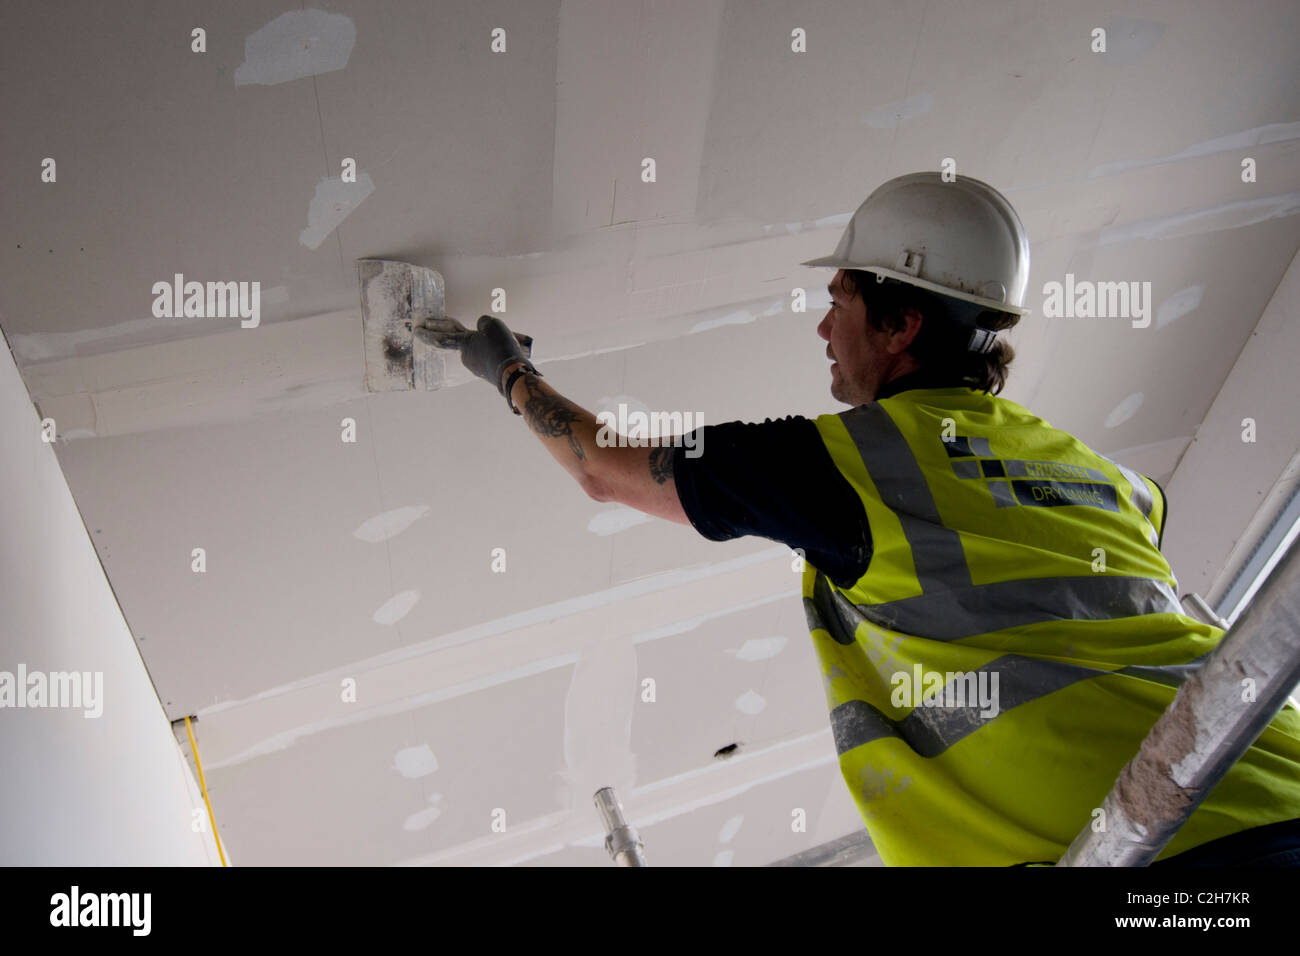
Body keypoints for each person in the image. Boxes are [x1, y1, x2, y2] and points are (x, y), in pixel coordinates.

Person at [438, 172, 1300, 866]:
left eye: (841, 301)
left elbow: (602, 465)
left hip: (1181, 851)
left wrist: (509, 372)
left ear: (901, 325)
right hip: (1265, 779)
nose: (823, 325)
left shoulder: (850, 463)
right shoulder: (1109, 478)